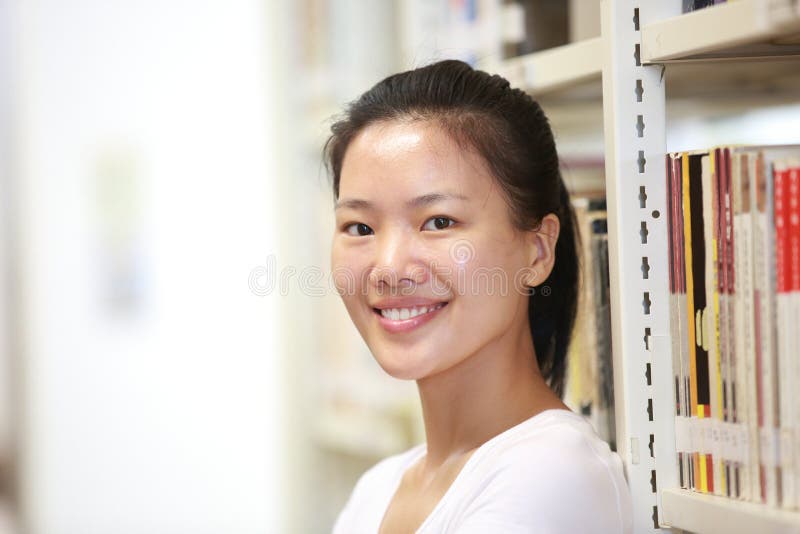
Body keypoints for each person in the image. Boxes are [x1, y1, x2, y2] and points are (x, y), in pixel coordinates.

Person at [325, 59, 633, 534]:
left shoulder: (551, 473)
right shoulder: (377, 489)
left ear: (537, 250)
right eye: (360, 227)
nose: (387, 268)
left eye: (439, 222)